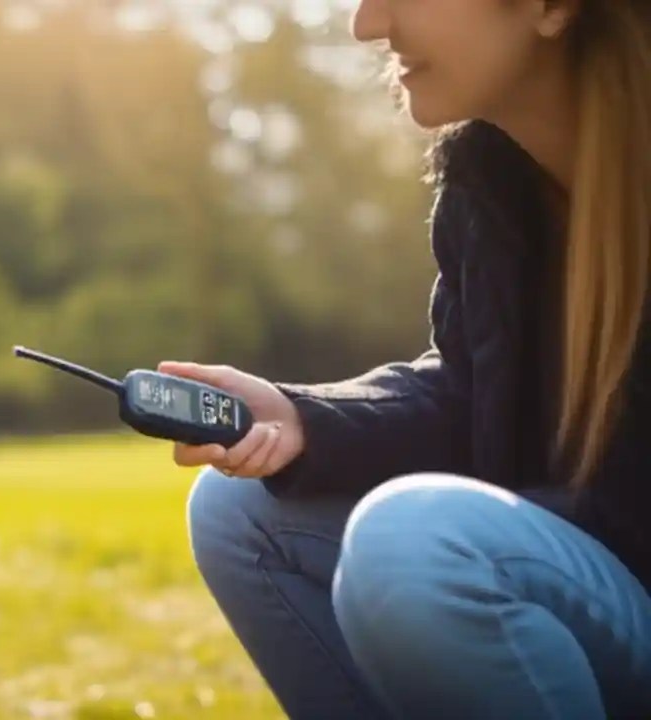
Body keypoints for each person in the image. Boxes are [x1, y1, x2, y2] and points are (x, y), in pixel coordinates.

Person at [162, 1, 651, 718]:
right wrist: (306, 418)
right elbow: (471, 396)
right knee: (239, 507)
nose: (369, 23)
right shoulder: (492, 182)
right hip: (604, 581)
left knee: (414, 544)